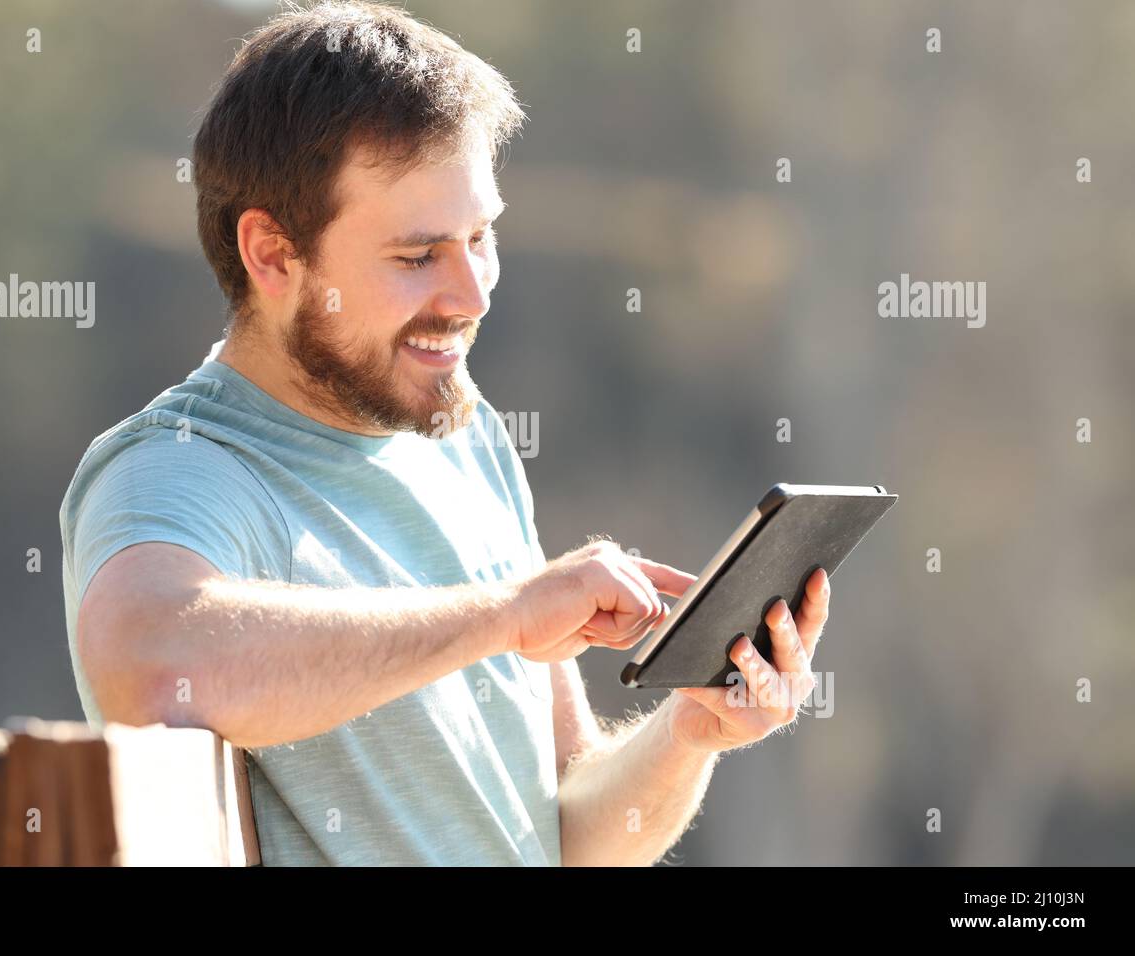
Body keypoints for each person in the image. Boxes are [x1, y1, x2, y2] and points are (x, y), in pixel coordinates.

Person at [59, 0, 830, 866]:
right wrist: (503, 616)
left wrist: (692, 729)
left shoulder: (466, 438)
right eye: (418, 256)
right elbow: (151, 665)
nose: (472, 295)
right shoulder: (176, 470)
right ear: (273, 256)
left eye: (481, 236)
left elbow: (571, 836)